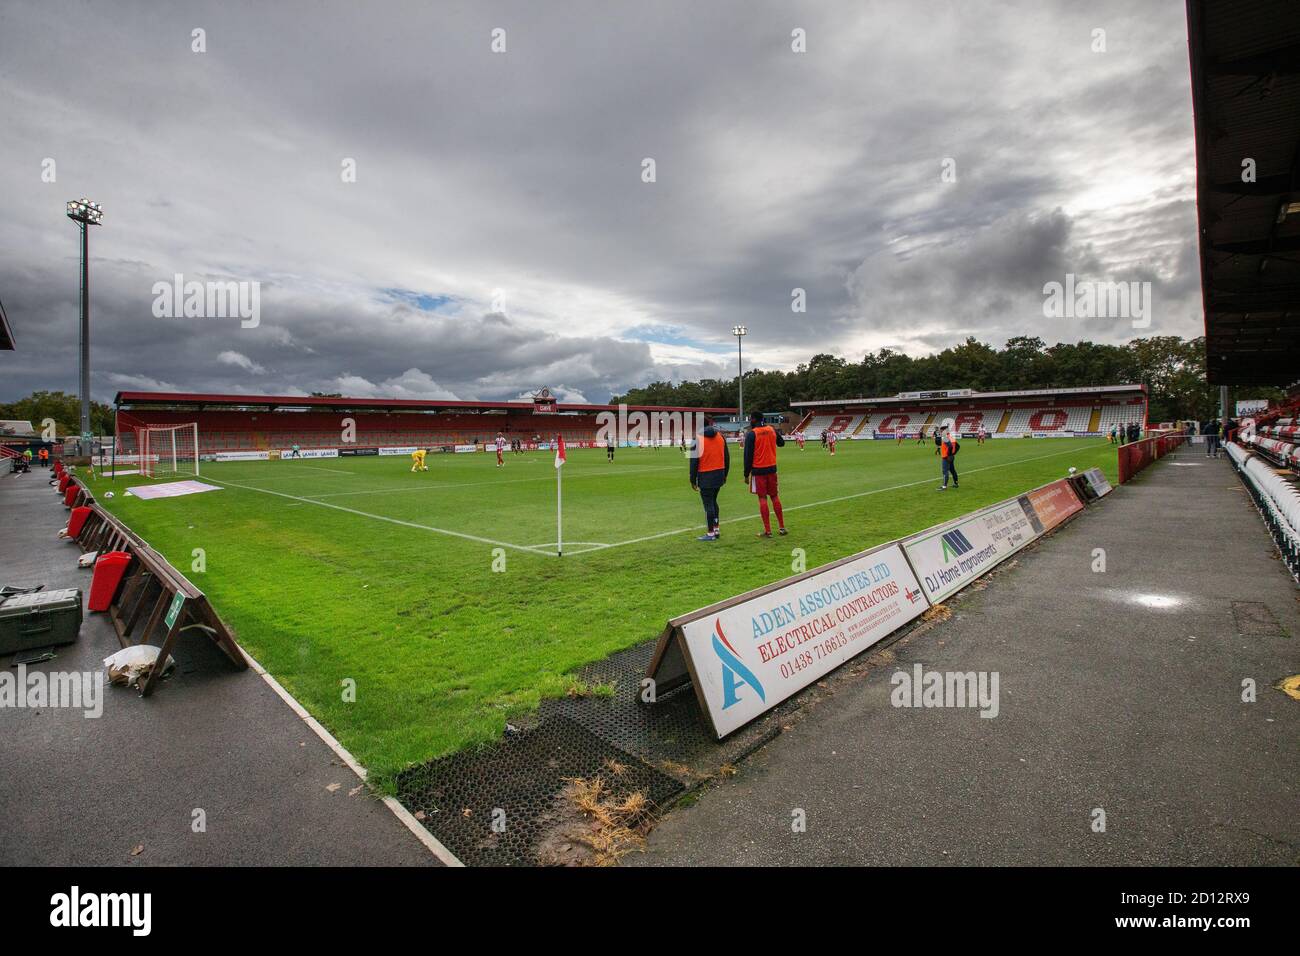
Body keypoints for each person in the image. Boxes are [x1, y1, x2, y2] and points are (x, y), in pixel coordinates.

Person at [743, 411, 786, 537]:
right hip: (772, 468)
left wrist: (746, 474)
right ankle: (782, 527)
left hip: (758, 470)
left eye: (751, 419)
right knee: (774, 496)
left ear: (754, 419)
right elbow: (781, 443)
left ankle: (768, 531)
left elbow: (748, 456)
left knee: (762, 498)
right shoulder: (771, 430)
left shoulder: (752, 434)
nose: (750, 421)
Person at [689, 416, 730, 541]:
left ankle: (710, 533)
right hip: (719, 473)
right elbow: (727, 457)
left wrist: (692, 479)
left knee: (708, 505)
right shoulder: (720, 436)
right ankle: (716, 528)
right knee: (714, 501)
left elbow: (693, 462)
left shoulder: (697, 439)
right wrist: (725, 474)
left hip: (705, 475)